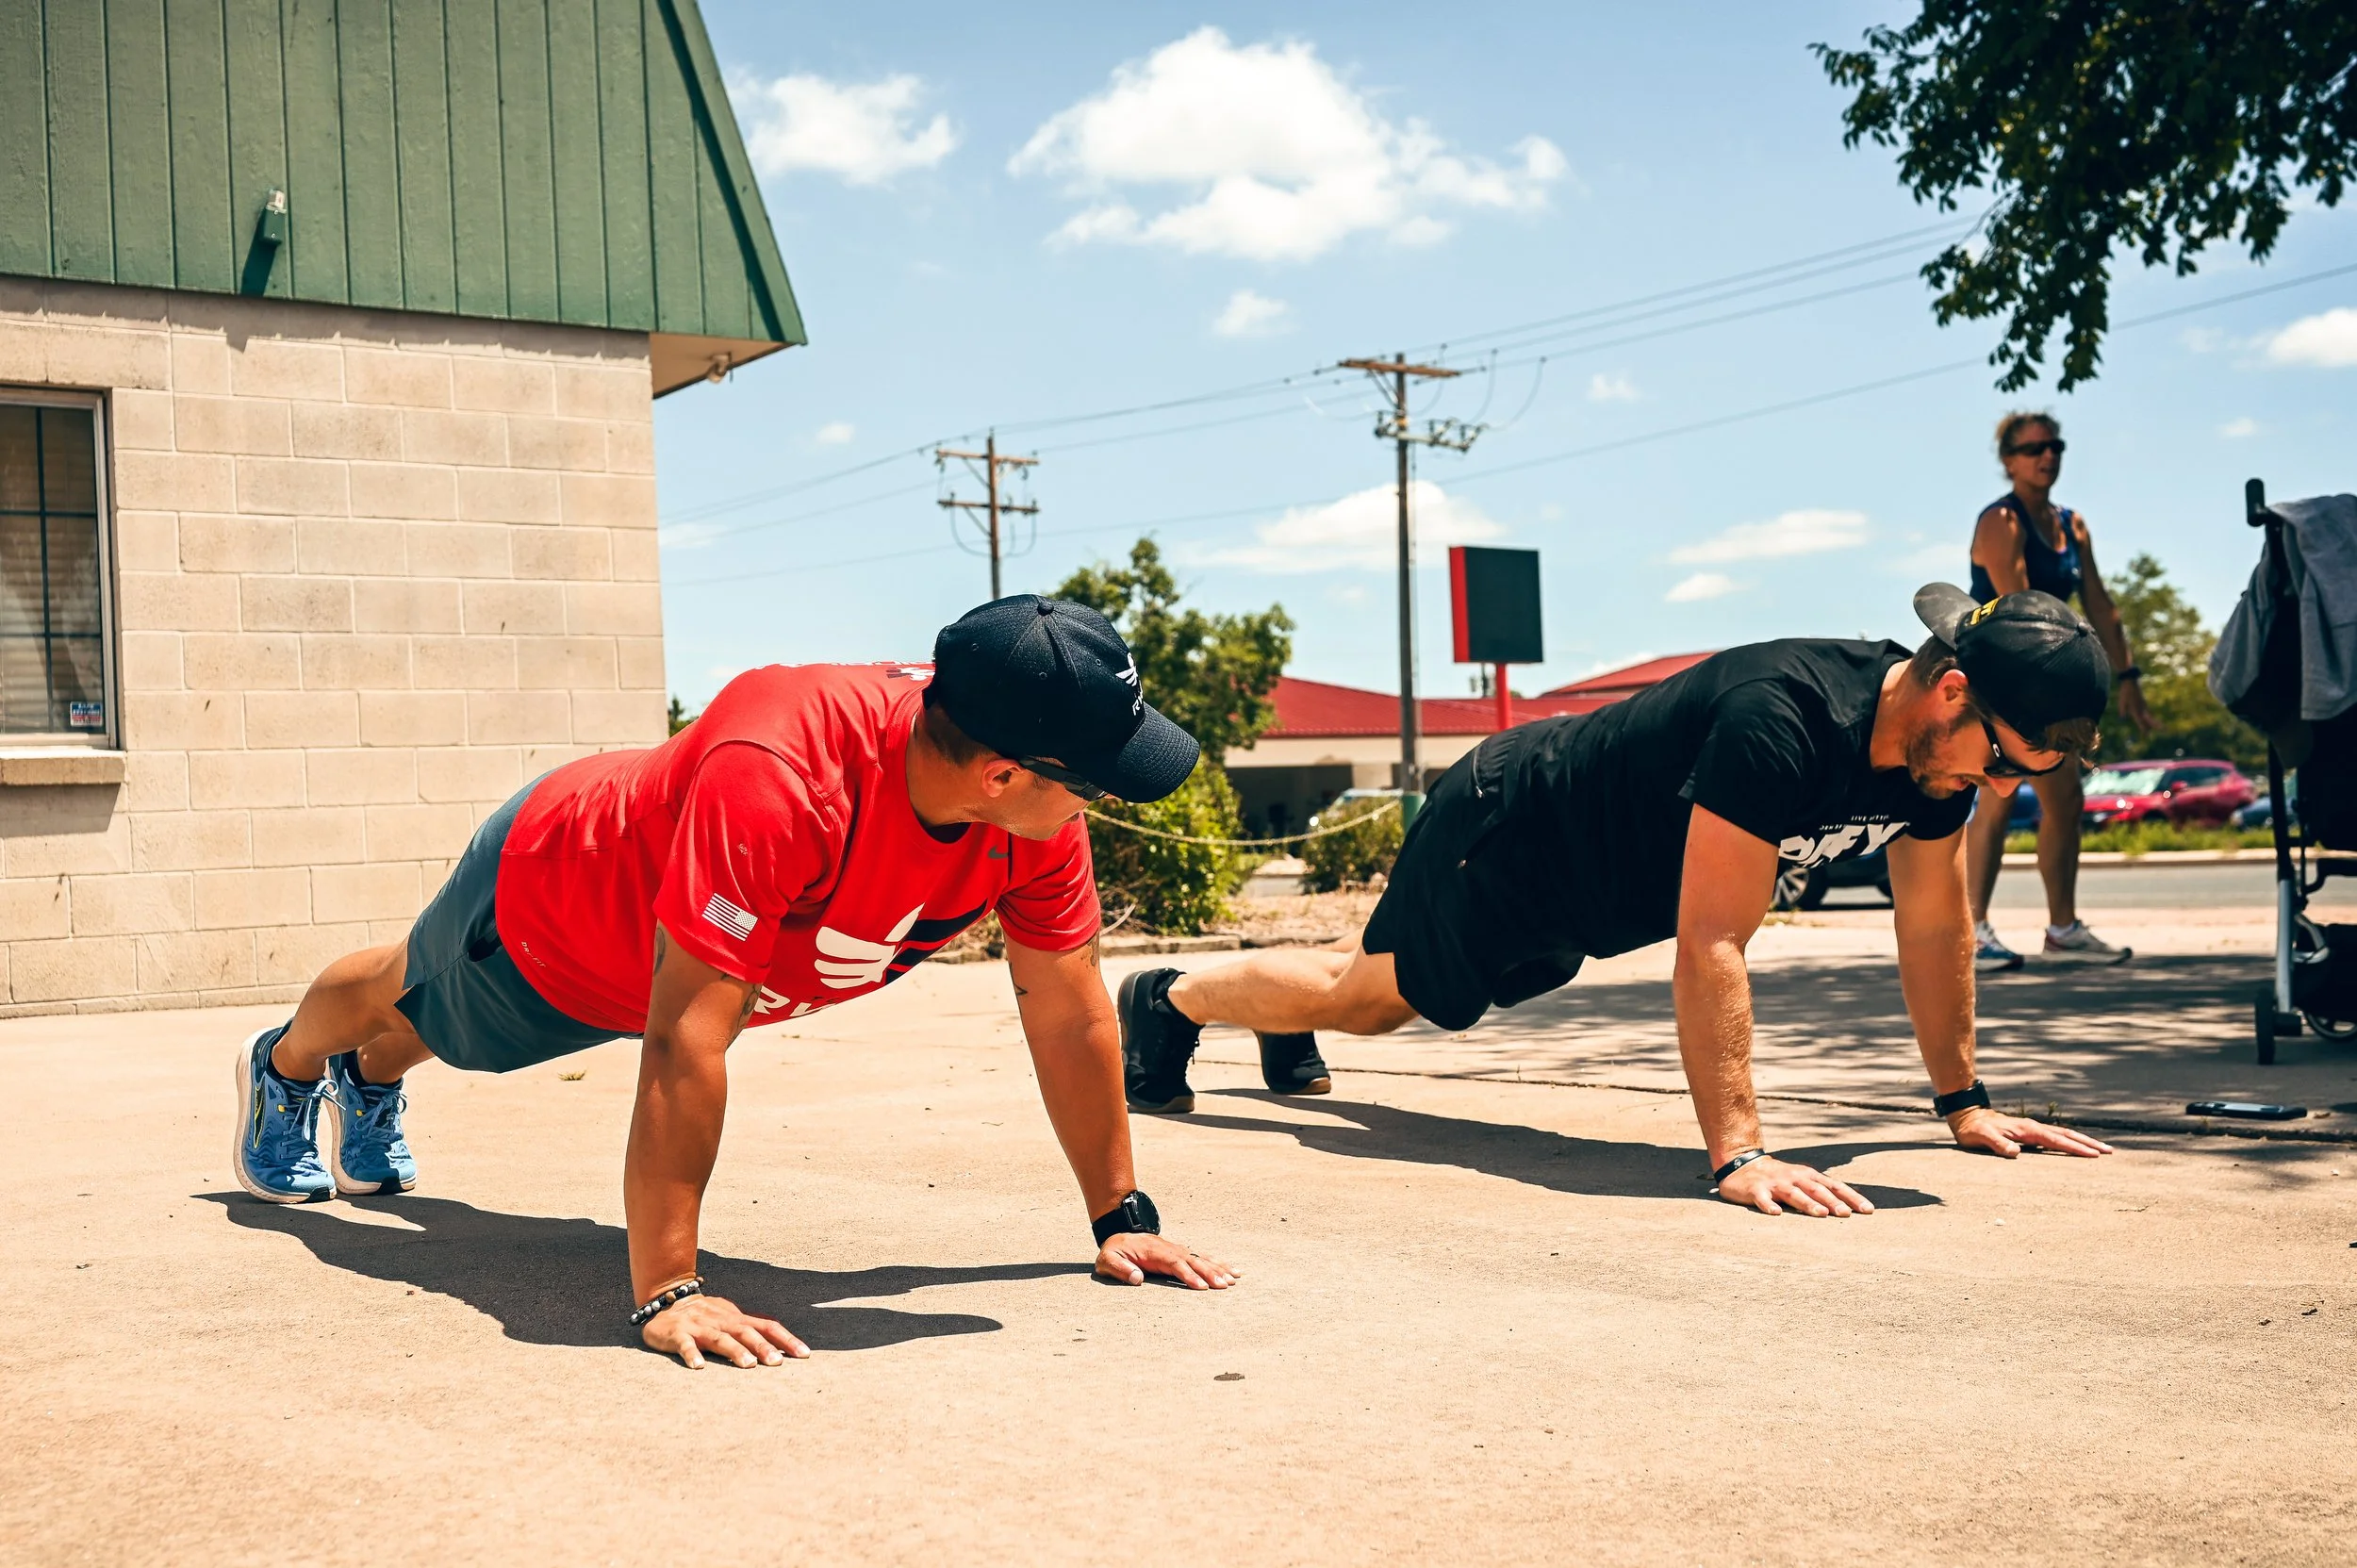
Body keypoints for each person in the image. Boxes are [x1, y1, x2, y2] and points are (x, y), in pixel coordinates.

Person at [234, 596, 1239, 1368]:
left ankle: (366, 1085)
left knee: (443, 1035)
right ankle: (284, 1066)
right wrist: (668, 1289)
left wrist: (1121, 1220)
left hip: (661, 973)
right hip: (553, 902)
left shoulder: (1034, 823)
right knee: (410, 996)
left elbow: (1066, 1014)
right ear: (1002, 773)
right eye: (1095, 780)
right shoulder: (784, 771)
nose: (1099, 805)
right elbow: (687, 1039)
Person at [1120, 585, 2118, 1218]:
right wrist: (1739, 1155)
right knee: (1368, 997)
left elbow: (1934, 923)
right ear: (1950, 693)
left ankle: (1277, 1017)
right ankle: (1168, 1001)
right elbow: (1714, 938)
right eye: (2001, 761)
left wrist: (1962, 1103)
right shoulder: (1783, 718)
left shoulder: (1929, 771)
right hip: (1511, 833)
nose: (1997, 790)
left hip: (1587, 893)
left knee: (1365, 977)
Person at [1965, 412, 2151, 971]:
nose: (2047, 456)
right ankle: (1970, 931)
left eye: (2055, 446)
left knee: (2065, 800)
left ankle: (2063, 928)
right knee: (1998, 797)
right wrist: (2057, 683)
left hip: (2054, 674)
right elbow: (2022, 608)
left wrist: (2127, 676)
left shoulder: (2073, 525)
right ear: (2008, 461)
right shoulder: (2001, 520)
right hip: (2006, 674)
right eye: (2033, 448)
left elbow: (2099, 602)